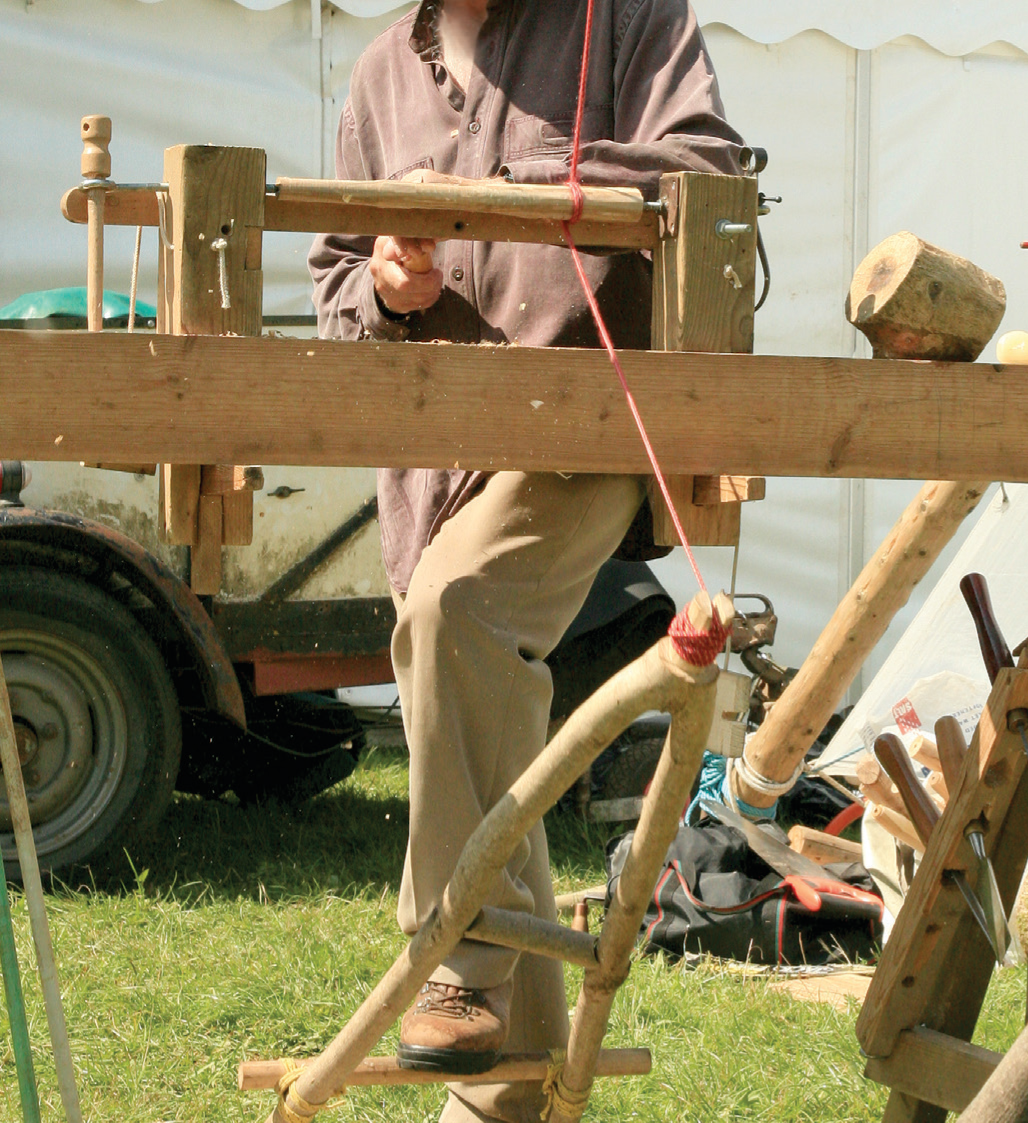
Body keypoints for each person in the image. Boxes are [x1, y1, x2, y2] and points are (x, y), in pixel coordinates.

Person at [308, 3, 742, 1120]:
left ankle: (456, 960)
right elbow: (336, 286)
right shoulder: (375, 75)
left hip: (591, 419)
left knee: (460, 613)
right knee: (479, 733)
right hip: (435, 467)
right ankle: (522, 1102)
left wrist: (532, 186)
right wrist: (386, 288)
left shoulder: (630, 16)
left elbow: (706, 171)